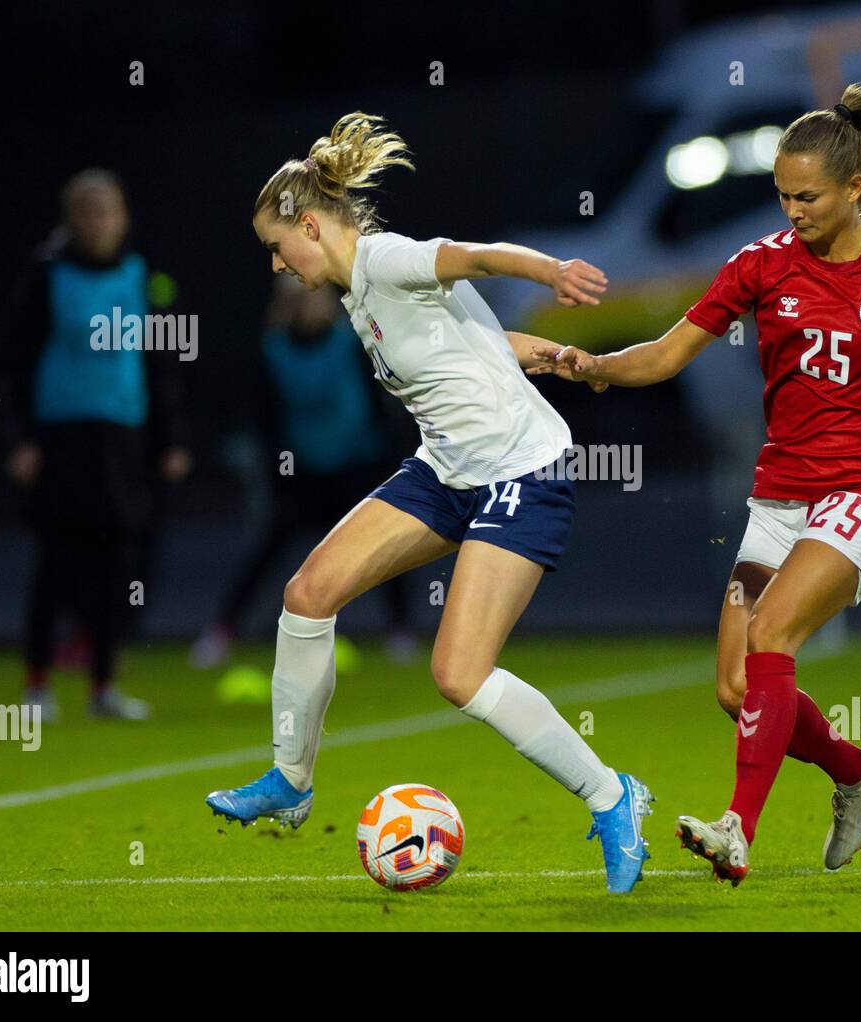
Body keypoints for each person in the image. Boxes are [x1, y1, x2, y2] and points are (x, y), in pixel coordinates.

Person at [527, 84, 861, 886]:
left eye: (808, 196)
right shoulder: (760, 264)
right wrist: (598, 368)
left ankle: (736, 830)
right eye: (783, 195)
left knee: (772, 634)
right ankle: (854, 770)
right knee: (735, 686)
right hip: (782, 498)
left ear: (854, 190)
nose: (793, 211)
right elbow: (672, 350)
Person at [204, 113, 653, 893]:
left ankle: (613, 797)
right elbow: (471, 344)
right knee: (308, 595)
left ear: (310, 224)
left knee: (459, 673)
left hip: (522, 474)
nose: (276, 264)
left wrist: (550, 273)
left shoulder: (384, 259)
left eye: (277, 247)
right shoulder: (354, 294)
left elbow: (472, 257)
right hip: (445, 470)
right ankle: (290, 779)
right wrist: (547, 354)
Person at [0, 168, 191, 722]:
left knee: (115, 567)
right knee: (56, 561)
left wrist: (170, 439)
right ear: (70, 219)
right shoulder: (46, 276)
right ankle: (37, 684)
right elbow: (10, 365)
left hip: (122, 442)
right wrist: (20, 441)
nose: (96, 220)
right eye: (85, 210)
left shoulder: (139, 275)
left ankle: (103, 684)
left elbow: (158, 363)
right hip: (59, 440)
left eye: (106, 209)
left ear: (123, 217)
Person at [190, 276, 419, 667]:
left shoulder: (354, 344)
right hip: (303, 475)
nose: (304, 307)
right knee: (269, 550)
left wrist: (386, 458)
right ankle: (221, 632)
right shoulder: (273, 352)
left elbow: (381, 404)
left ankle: (401, 631)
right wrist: (281, 469)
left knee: (384, 551)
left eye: (311, 299)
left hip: (358, 468)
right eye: (294, 301)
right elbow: (266, 419)